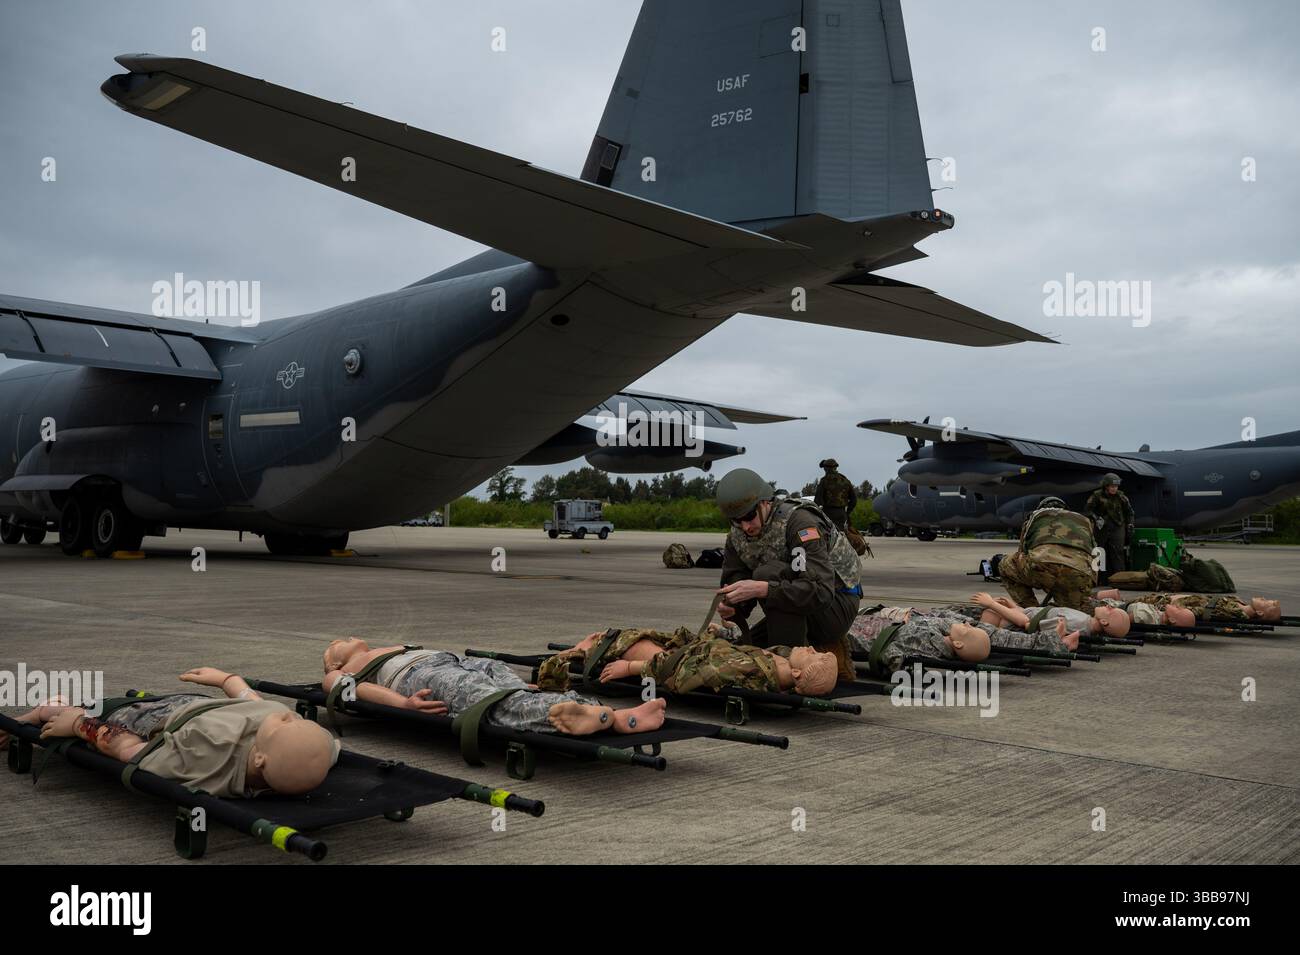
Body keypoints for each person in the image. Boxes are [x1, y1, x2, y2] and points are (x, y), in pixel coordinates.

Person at [0, 667, 338, 797]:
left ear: (260, 759)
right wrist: (227, 680)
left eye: (287, 724)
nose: (290, 717)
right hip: (206, 705)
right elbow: (256, 704)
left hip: (154, 719)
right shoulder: (309, 747)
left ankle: (44, 710)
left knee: (82, 708)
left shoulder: (206, 758)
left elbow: (129, 751)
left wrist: (78, 723)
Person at [322, 638, 666, 736]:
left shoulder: (389, 646)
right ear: (334, 663)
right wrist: (402, 704)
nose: (348, 637)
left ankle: (608, 714)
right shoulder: (343, 671)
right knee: (485, 698)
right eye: (338, 642)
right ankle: (578, 717)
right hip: (416, 677)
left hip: (452, 660)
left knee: (508, 681)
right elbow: (353, 691)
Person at [714, 468, 863, 682]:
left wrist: (765, 589)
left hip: (836, 604)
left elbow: (821, 592)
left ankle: (795, 667)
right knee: (744, 654)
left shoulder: (800, 523)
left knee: (767, 574)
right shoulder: (737, 536)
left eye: (749, 516)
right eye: (736, 520)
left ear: (765, 503)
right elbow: (735, 578)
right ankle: (818, 649)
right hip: (794, 603)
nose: (745, 526)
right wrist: (733, 605)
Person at [535, 625, 838, 697]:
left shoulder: (747, 670)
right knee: (621, 636)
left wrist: (632, 668)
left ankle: (576, 653)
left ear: (797, 673)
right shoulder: (777, 666)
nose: (811, 647)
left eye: (814, 654)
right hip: (688, 650)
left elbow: (682, 676)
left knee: (610, 640)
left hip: (666, 662)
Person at [847, 608, 1077, 676]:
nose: (967, 625)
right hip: (891, 621)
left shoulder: (928, 644)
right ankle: (1048, 640)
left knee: (985, 631)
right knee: (984, 629)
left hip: (869, 629)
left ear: (957, 644)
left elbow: (892, 655)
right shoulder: (944, 637)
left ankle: (1050, 642)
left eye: (967, 630)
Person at [997, 497, 1098, 611]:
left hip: (1043, 566)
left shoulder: (1036, 516)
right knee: (1073, 613)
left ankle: (1031, 611)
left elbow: (1022, 551)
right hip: (1079, 573)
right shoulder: (1083, 520)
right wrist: (1089, 583)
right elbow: (1096, 552)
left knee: (1005, 565)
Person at [968, 591, 1131, 640]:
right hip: (1021, 614)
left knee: (989, 611)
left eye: (1111, 610)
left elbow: (1027, 624)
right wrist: (1015, 607)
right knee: (997, 605)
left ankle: (978, 636)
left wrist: (991, 604)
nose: (1109, 606)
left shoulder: (1075, 623)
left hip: (1011, 623)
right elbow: (1037, 616)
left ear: (1104, 622)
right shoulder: (1084, 621)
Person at [1085, 473, 1135, 577]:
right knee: (1099, 552)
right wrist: (1096, 518)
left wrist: (1130, 524)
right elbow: (1088, 510)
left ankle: (1119, 577)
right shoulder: (1097, 496)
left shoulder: (1121, 497)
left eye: (1116, 486)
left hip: (1117, 526)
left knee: (1118, 552)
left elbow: (1130, 512)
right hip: (1101, 527)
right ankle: (1097, 578)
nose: (1114, 489)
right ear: (1106, 486)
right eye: (1112, 486)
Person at [813, 458, 857, 532]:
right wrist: (847, 513)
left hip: (828, 514)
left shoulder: (824, 481)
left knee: (823, 534)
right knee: (842, 534)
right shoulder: (845, 480)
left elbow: (817, 500)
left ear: (826, 469)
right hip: (842, 514)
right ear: (836, 468)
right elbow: (854, 500)